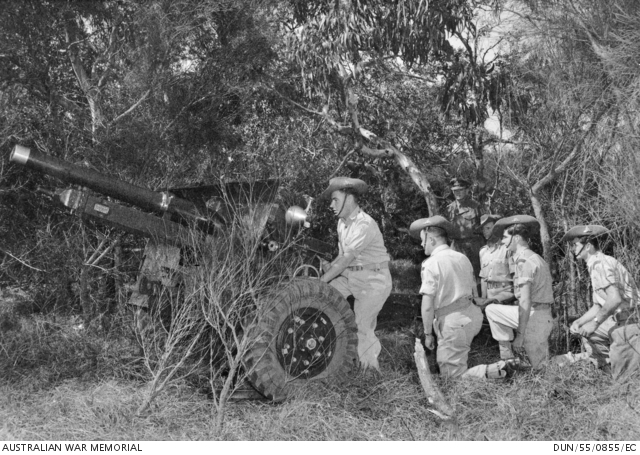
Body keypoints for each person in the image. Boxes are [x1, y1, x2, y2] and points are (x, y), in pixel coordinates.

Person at [409, 216, 518, 379]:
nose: (421, 244)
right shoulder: (462, 258)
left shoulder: (431, 263)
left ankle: (500, 368)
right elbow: (473, 290)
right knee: (455, 364)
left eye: (423, 239)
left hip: (453, 322)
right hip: (470, 316)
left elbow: (427, 304)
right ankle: (501, 368)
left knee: (451, 377)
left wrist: (428, 333)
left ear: (432, 239)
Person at [319, 177, 392, 371]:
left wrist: (321, 281)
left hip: (373, 279)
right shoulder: (342, 224)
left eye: (335, 199)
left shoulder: (364, 224)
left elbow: (346, 260)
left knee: (362, 326)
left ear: (349, 199)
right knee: (323, 298)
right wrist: (328, 266)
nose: (331, 205)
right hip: (351, 277)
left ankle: (370, 372)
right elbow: (341, 256)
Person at [554, 225, 640, 380]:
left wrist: (594, 322)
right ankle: (608, 368)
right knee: (589, 334)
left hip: (629, 321)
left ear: (587, 247)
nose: (573, 248)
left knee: (625, 382)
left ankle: (621, 369)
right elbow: (598, 305)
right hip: (618, 320)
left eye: (575, 245)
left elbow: (615, 299)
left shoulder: (601, 263)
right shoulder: (594, 264)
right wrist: (580, 322)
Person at [484, 215, 554, 369]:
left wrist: (520, 336)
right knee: (492, 310)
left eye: (504, 237)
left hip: (536, 317)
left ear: (515, 238)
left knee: (541, 368)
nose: (502, 242)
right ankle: (508, 358)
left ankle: (577, 360)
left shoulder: (525, 261)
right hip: (537, 313)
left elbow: (525, 301)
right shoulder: (533, 257)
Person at [445, 178, 484, 279]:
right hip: (456, 246)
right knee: (457, 276)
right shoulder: (450, 208)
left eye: (460, 190)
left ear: (467, 190)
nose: (458, 193)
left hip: (473, 245)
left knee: (476, 276)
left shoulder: (475, 206)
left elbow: (485, 226)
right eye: (455, 190)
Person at [478, 214, 515, 305]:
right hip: (490, 296)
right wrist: (483, 299)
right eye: (483, 229)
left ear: (497, 229)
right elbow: (483, 278)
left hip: (506, 295)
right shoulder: (483, 252)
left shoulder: (507, 248)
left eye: (488, 228)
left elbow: (515, 275)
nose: (484, 231)